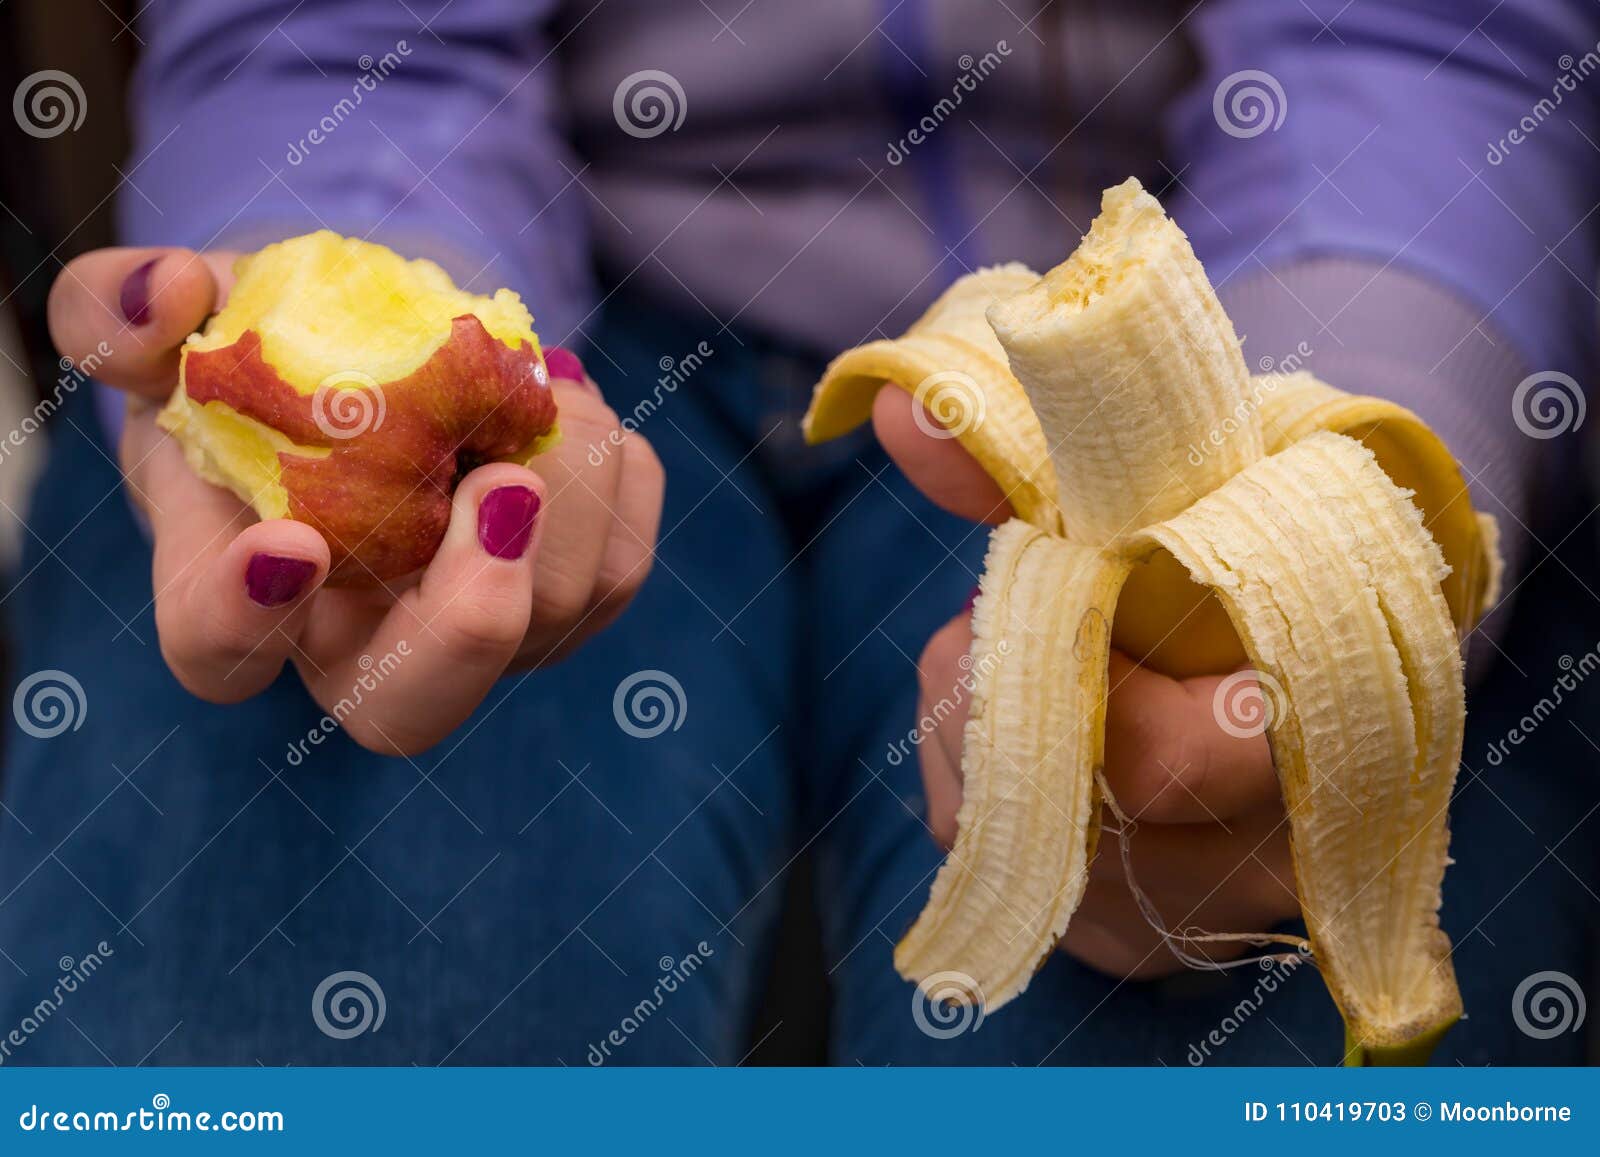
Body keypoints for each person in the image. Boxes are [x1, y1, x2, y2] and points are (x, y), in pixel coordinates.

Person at [5, 0, 1598, 1065]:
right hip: (560, 317)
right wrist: (356, 303)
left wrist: (1346, 511)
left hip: (1232, 299)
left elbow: (1425, 37)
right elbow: (344, 39)